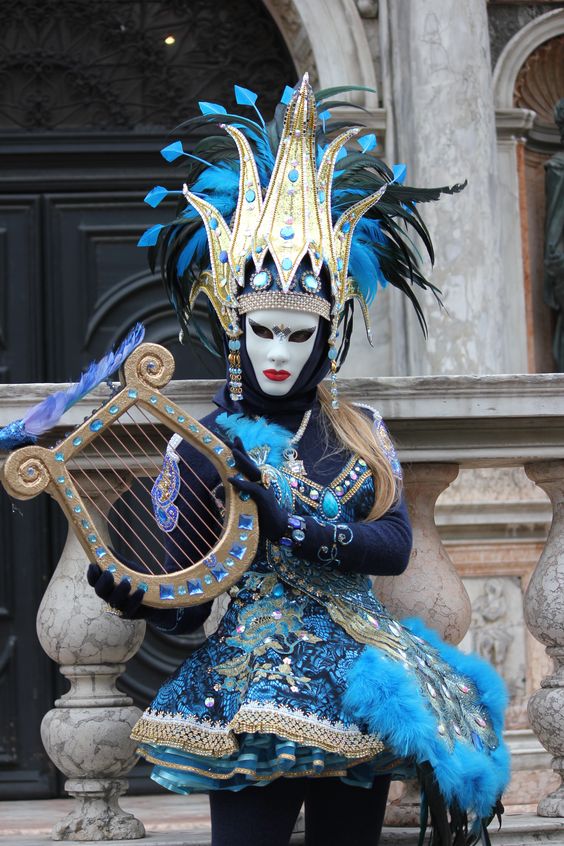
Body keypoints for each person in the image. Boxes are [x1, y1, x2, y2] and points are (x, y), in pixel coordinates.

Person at [88, 76, 509, 846]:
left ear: (330, 335)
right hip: (246, 685)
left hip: (358, 680)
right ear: (234, 328)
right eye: (264, 332)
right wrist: (133, 594)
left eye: (296, 334)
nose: (278, 353)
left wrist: (295, 526)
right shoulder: (202, 444)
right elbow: (188, 597)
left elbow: (394, 545)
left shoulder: (362, 431)